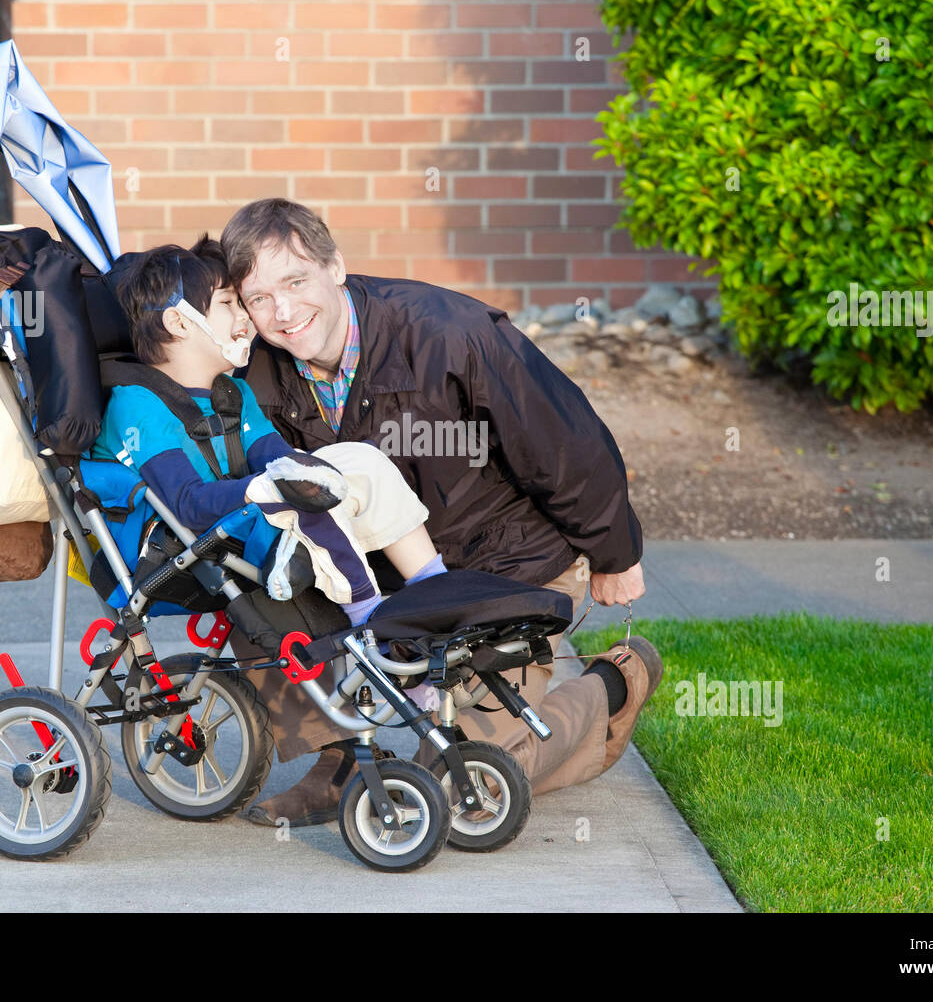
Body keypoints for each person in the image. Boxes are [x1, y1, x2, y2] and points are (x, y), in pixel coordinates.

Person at [208, 199, 663, 828]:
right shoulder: (251, 369)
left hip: (504, 567)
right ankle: (338, 758)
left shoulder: (450, 333)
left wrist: (615, 552)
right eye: (259, 298)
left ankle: (611, 684)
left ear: (336, 267)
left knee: (462, 783)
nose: (283, 312)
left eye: (296, 281)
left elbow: (564, 438)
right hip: (374, 580)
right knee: (246, 590)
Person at [90, 243, 450, 627]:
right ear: (179, 323)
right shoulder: (137, 405)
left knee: (362, 461)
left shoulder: (233, 394)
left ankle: (440, 597)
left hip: (239, 521)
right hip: (179, 548)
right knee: (301, 489)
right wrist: (262, 488)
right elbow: (186, 504)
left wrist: (295, 477)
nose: (245, 317)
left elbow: (279, 460)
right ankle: (374, 628)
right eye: (228, 303)